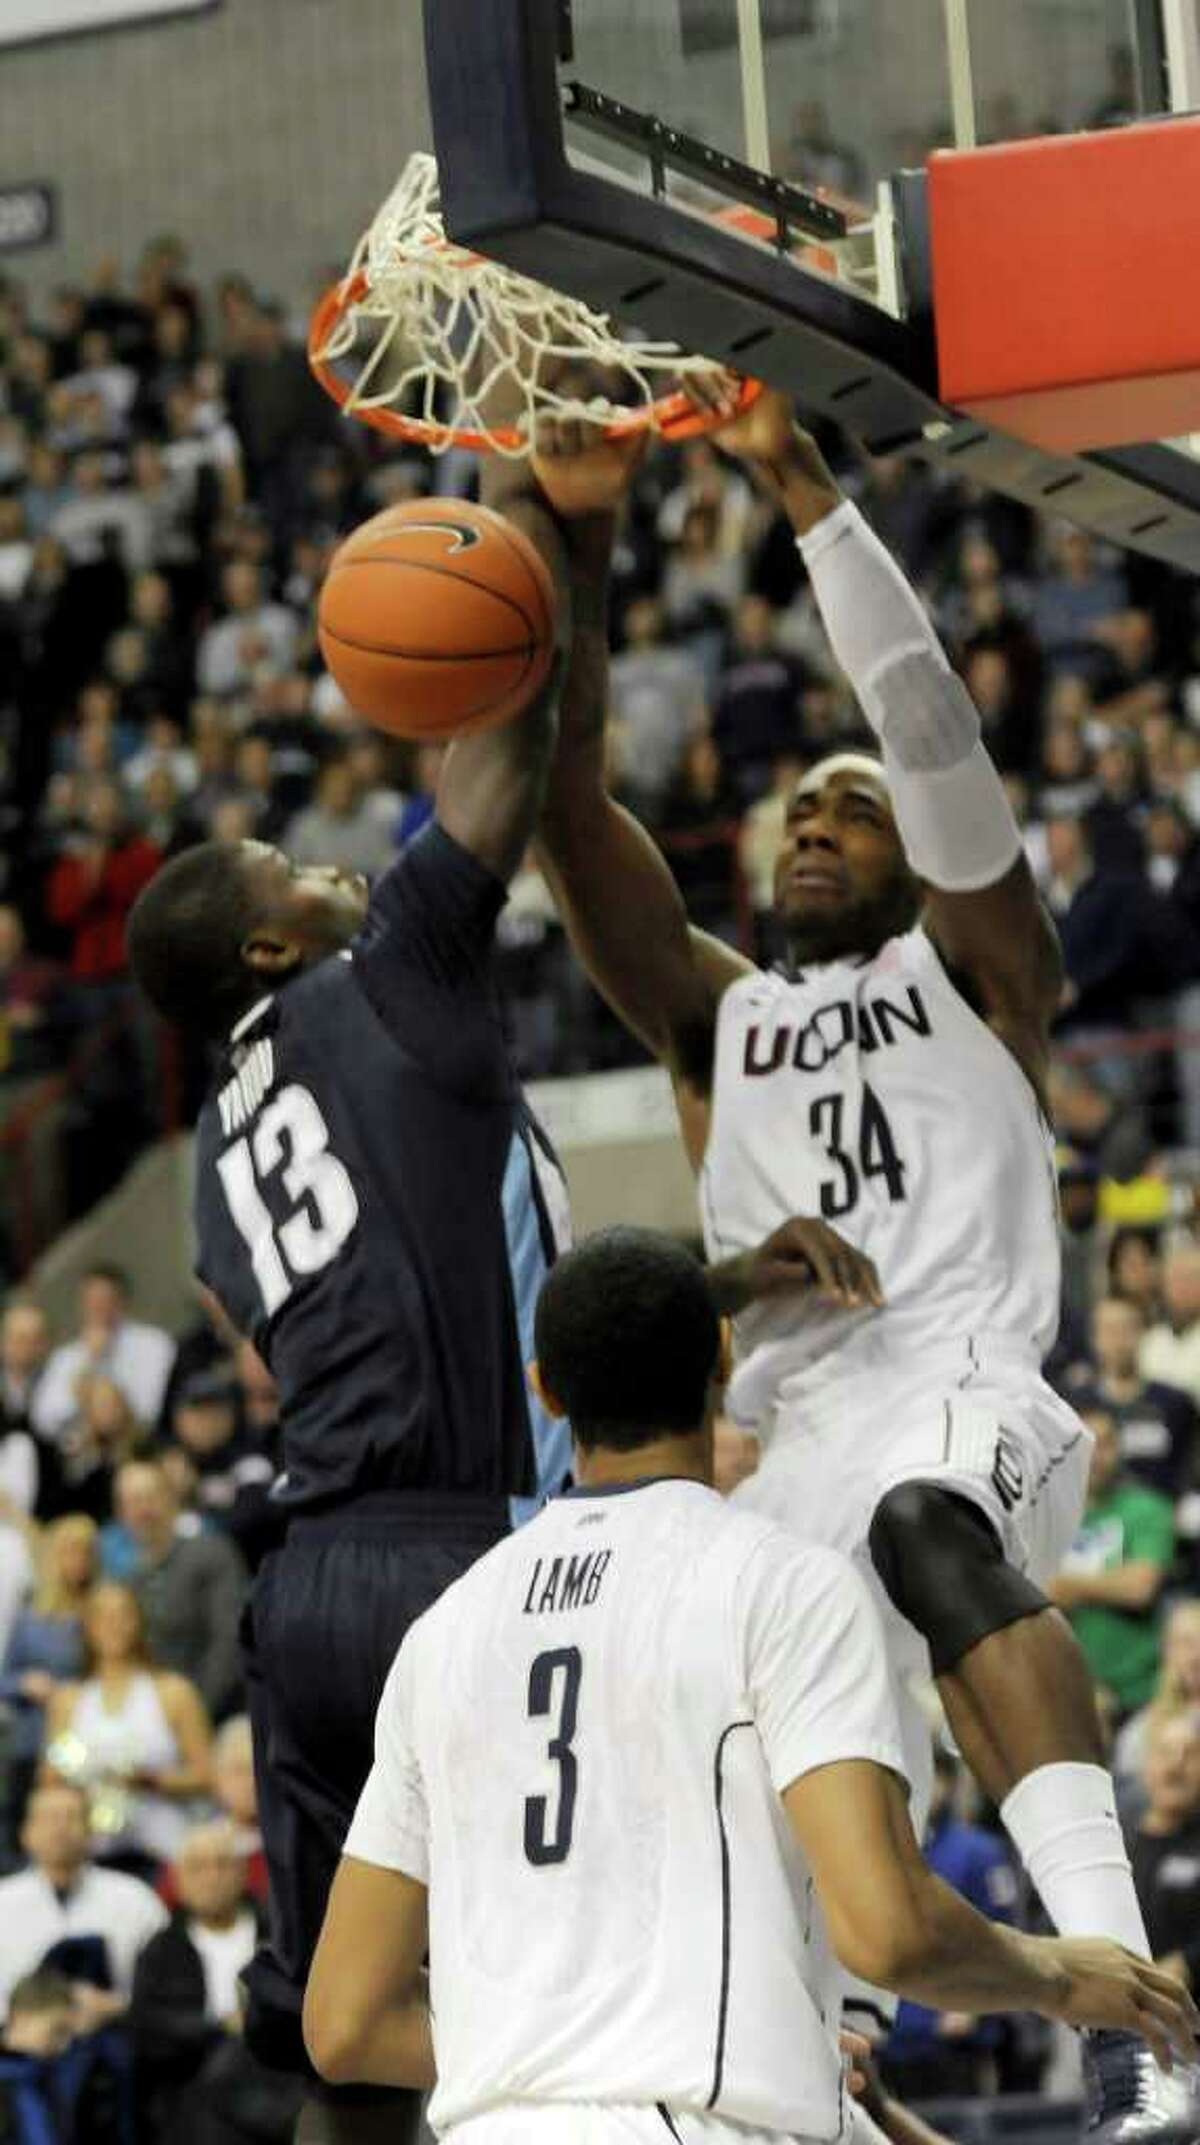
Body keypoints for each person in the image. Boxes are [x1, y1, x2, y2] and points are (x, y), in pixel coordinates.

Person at [510, 384, 1191, 2135]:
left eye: (851, 814)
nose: (813, 826)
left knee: (926, 1526)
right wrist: (574, 537)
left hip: (961, 1388)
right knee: (720, 1737)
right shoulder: (717, 1021)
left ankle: (1127, 2008)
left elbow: (937, 740)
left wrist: (808, 499)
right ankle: (793, 2058)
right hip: (785, 1449)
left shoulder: (982, 975)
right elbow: (572, 812)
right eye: (796, 812)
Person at [303, 1227, 1196, 2139]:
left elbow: (343, 2022)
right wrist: (1055, 1974)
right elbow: (888, 1931)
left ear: (546, 1390)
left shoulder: (443, 1633)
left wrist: (537, 2051)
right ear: (725, 1359)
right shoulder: (784, 1582)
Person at [125, 493, 572, 2143]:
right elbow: (509, 746)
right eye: (298, 866)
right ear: (270, 938)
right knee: (576, 1996)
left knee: (347, 2040)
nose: (336, 864)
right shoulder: (378, 969)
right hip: (466, 1565)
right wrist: (542, 540)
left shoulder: (203, 1170)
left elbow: (268, 1337)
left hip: (306, 1594)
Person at [131, 1820, 300, 2145]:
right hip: (196, 2092)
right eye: (197, 1867)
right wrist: (222, 2027)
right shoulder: (162, 1949)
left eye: (222, 1864)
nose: (212, 1877)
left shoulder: (280, 1936)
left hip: (279, 2083)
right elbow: (149, 2030)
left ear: (242, 1873)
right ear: (177, 1880)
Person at [43, 1580, 213, 1873]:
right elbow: (50, 1779)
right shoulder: (68, 1699)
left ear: (139, 1622)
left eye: (123, 1615)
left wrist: (148, 1780)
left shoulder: (173, 1691)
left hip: (165, 1849)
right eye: (103, 1617)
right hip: (92, 1852)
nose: (114, 1626)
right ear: (88, 1627)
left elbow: (207, 1775)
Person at [883, 1746, 1019, 2102]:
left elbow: (1004, 1934)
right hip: (890, 2034)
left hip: (952, 2037)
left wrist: (974, 2006)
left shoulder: (979, 1852)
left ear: (947, 1782)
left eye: (932, 1776)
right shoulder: (882, 1850)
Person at [1047, 1404, 1175, 1720]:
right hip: (1062, 1686)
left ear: (1119, 1448)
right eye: (1084, 1443)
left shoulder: (1148, 1508)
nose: (1094, 1455)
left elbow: (1140, 1587)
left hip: (1137, 1691)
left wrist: (1065, 1585)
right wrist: (1109, 1583)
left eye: (1105, 1443)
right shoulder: (1045, 1514)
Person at [0, 1780, 166, 2015]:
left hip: (118, 2039)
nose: (60, 1828)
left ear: (91, 1831)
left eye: (71, 1817)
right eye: (49, 1818)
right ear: (25, 1833)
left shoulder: (136, 1899)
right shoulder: (3, 1901)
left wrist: (119, 2007)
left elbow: (164, 1990)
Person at [109, 1457, 246, 1721]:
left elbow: (228, 1644)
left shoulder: (211, 1553)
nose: (142, 1511)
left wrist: (191, 1717)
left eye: (150, 1497)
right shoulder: (128, 1577)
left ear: (171, 1499)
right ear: (121, 1513)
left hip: (214, 1715)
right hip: (151, 1723)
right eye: (132, 1502)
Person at [1068, 1295, 1197, 1499]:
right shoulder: (1073, 1406)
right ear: (1094, 1338)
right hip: (1095, 1518)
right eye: (1109, 1330)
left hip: (1159, 1516)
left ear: (1145, 1334)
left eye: (1127, 1329)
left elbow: (1189, 1470)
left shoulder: (1175, 1403)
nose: (1118, 1340)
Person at [33, 1267, 175, 1440]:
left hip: (140, 1443)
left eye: (106, 1299)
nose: (98, 1306)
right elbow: (44, 1421)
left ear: (123, 1301)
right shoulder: (65, 1356)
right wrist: (89, 1362)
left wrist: (100, 1370)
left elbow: (149, 1410)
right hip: (80, 1453)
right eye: (91, 1300)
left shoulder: (155, 1343)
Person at [1129, 1712, 1200, 1996]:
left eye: (1191, 1754)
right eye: (1165, 1753)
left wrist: (1188, 1963)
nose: (1175, 1766)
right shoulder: (1117, 1847)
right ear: (1145, 1767)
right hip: (1126, 2022)